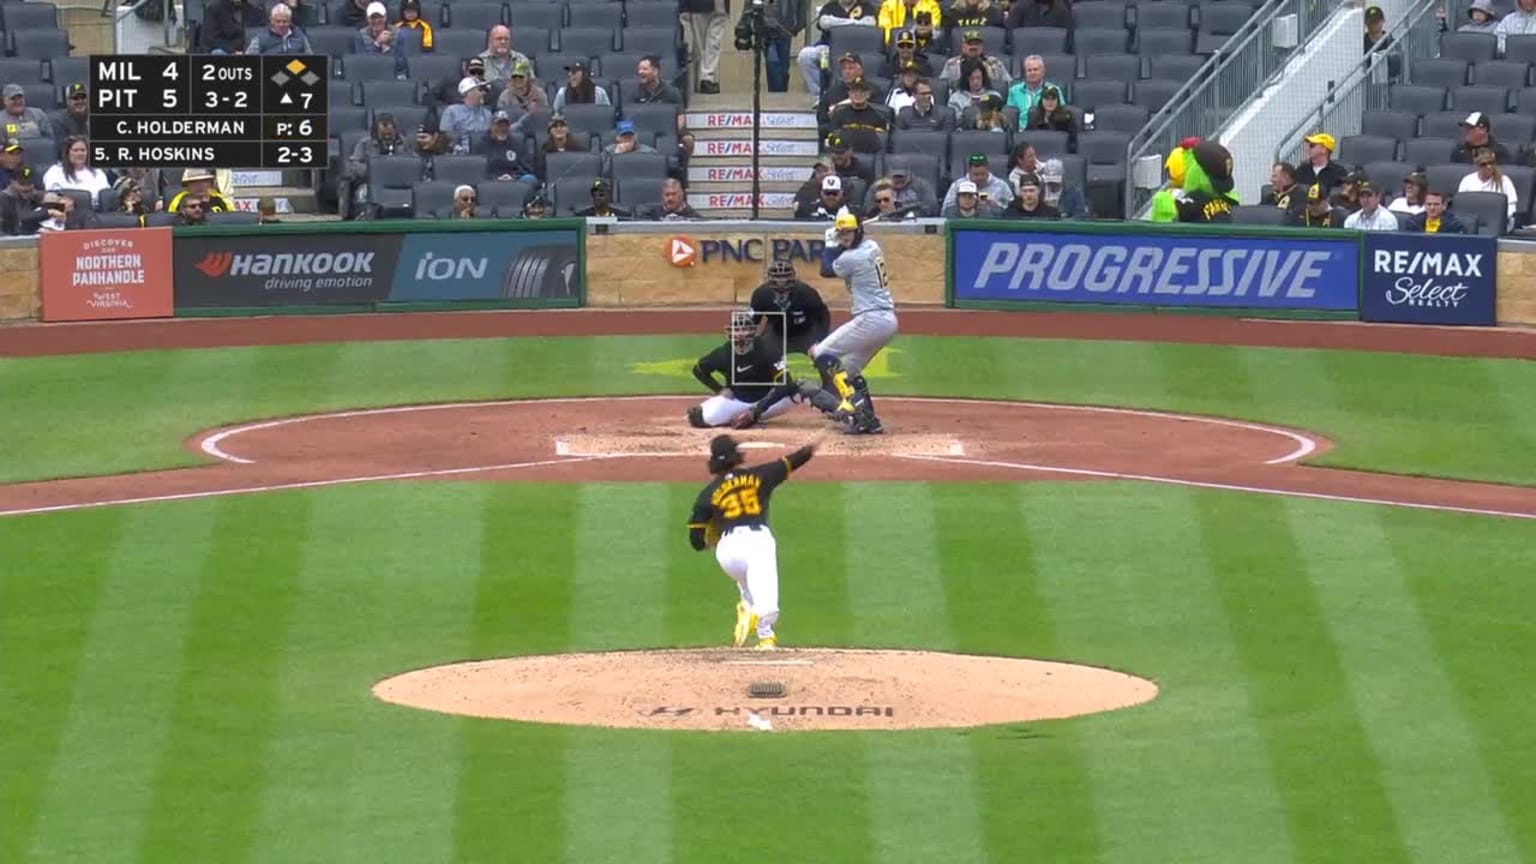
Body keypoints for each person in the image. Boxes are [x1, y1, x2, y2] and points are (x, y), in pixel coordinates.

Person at [686, 431, 823, 652]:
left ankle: (766, 639)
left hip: (727, 553)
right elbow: (795, 459)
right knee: (768, 605)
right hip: (757, 543)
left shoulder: (706, 494)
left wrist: (712, 540)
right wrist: (816, 442)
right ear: (736, 455)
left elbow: (696, 541)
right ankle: (751, 614)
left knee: (749, 588)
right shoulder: (760, 476)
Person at [817, 209, 897, 435]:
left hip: (871, 318)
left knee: (821, 353)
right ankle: (868, 420)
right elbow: (846, 249)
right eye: (842, 233)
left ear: (859, 231)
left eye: (849, 233)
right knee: (849, 371)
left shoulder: (852, 258)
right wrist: (841, 238)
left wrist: (830, 244)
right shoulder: (872, 246)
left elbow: (825, 269)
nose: (845, 237)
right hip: (886, 321)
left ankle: (852, 406)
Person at [688, 314, 838, 429]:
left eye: (745, 330)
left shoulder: (768, 348)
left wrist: (755, 412)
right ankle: (731, 415)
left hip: (770, 402)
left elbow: (785, 384)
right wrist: (719, 389)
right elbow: (698, 370)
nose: (741, 335)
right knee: (698, 418)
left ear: (753, 333)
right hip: (738, 401)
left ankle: (841, 412)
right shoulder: (723, 353)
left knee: (804, 386)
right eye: (737, 330)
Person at [750, 258, 832, 360]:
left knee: (817, 357)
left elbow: (823, 316)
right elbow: (752, 320)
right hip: (776, 334)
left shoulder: (806, 292)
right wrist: (751, 341)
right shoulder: (761, 294)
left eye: (785, 277)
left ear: (793, 276)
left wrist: (820, 339)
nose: (781, 281)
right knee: (762, 356)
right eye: (778, 277)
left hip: (804, 334)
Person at [43, 136, 111, 208]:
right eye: (75, 150)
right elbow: (52, 198)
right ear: (67, 153)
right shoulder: (55, 172)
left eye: (83, 150)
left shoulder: (98, 172)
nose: (80, 153)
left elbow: (107, 195)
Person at [1459, 148, 1519, 226]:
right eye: (1484, 164)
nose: (1489, 166)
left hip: (1498, 223)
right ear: (1477, 165)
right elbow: (1461, 206)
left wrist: (1502, 219)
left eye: (1491, 163)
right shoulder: (1467, 180)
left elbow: (1511, 206)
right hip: (1472, 222)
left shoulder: (1504, 181)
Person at [680, 0, 729, 94]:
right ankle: (704, 78)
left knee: (714, 43)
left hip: (720, 6)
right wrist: (684, 7)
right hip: (699, 6)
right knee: (701, 45)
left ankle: (707, 77)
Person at [197, 0, 264, 53]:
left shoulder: (254, 10)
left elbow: (262, 34)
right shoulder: (214, 8)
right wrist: (233, 51)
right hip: (224, 51)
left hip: (249, 51)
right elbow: (210, 39)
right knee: (218, 52)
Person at [1293, 132, 1347, 197]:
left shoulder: (1338, 172)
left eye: (1312, 146)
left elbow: (1340, 195)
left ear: (1324, 150)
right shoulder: (1301, 170)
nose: (1307, 149)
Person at [246, 4, 311, 54]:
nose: (281, 25)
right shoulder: (260, 38)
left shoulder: (300, 36)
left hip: (295, 66)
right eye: (278, 21)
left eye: (285, 21)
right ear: (271, 21)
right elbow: (249, 60)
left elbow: (311, 59)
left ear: (290, 22)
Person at [167, 169, 233, 213]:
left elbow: (233, 218)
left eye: (204, 181)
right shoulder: (179, 200)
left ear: (210, 183)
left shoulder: (221, 200)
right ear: (187, 186)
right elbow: (170, 220)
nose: (199, 186)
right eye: (194, 182)